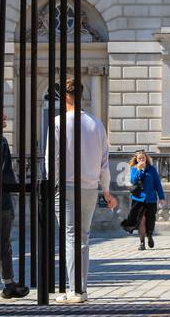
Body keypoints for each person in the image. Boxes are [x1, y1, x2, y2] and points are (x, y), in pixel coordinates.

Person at [45, 77, 117, 304]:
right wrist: (106, 190)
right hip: (89, 187)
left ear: (65, 96)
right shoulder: (97, 124)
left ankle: (74, 290)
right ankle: (80, 288)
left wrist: (52, 183)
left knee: (70, 237)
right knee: (82, 238)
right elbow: (105, 162)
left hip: (65, 185)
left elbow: (52, 159)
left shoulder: (58, 122)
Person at [0, 103, 28, 299]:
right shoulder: (0, 141)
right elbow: (5, 173)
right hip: (0, 198)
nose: (5, 117)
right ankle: (9, 283)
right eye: (0, 115)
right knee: (4, 243)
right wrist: (17, 187)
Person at [121, 150, 165, 250]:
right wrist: (139, 170)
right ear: (136, 159)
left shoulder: (152, 169)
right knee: (141, 220)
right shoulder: (134, 169)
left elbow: (157, 184)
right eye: (139, 158)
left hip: (151, 199)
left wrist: (161, 197)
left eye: (143, 158)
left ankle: (149, 235)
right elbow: (133, 181)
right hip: (138, 199)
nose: (141, 160)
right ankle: (142, 242)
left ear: (146, 158)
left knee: (150, 220)